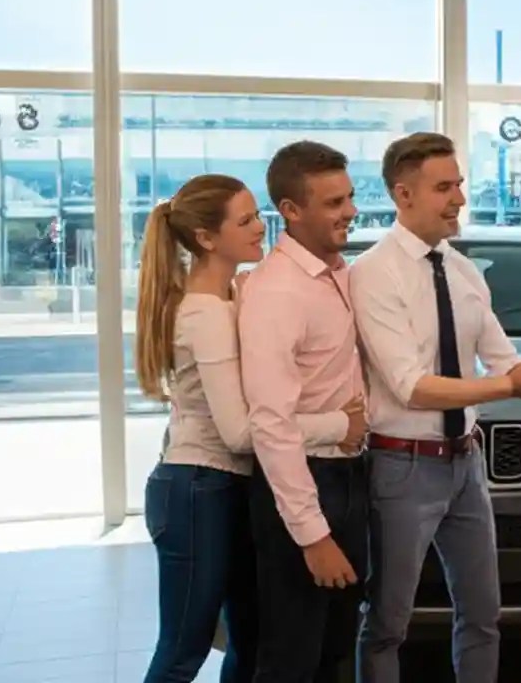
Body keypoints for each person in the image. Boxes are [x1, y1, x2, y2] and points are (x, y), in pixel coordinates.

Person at [350, 132, 521, 683]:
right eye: (444, 187)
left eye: (458, 184)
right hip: (401, 466)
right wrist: (509, 388)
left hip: (466, 464)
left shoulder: (463, 271)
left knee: (483, 615)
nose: (458, 198)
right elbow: (412, 386)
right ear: (402, 194)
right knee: (388, 623)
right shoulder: (373, 274)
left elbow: (503, 358)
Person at [134, 174, 365, 683]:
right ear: (206, 239)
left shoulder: (237, 294)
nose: (262, 227)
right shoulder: (207, 314)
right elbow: (242, 432)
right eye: (246, 221)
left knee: (247, 642)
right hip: (198, 487)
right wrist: (336, 424)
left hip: (227, 485)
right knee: (183, 649)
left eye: (257, 214)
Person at [237, 141, 370, 683]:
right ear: (291, 211)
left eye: (350, 196)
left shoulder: (339, 272)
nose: (351, 211)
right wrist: (312, 537)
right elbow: (270, 424)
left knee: (335, 649)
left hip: (350, 476)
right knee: (292, 658)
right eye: (334, 202)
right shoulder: (276, 292)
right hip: (304, 486)